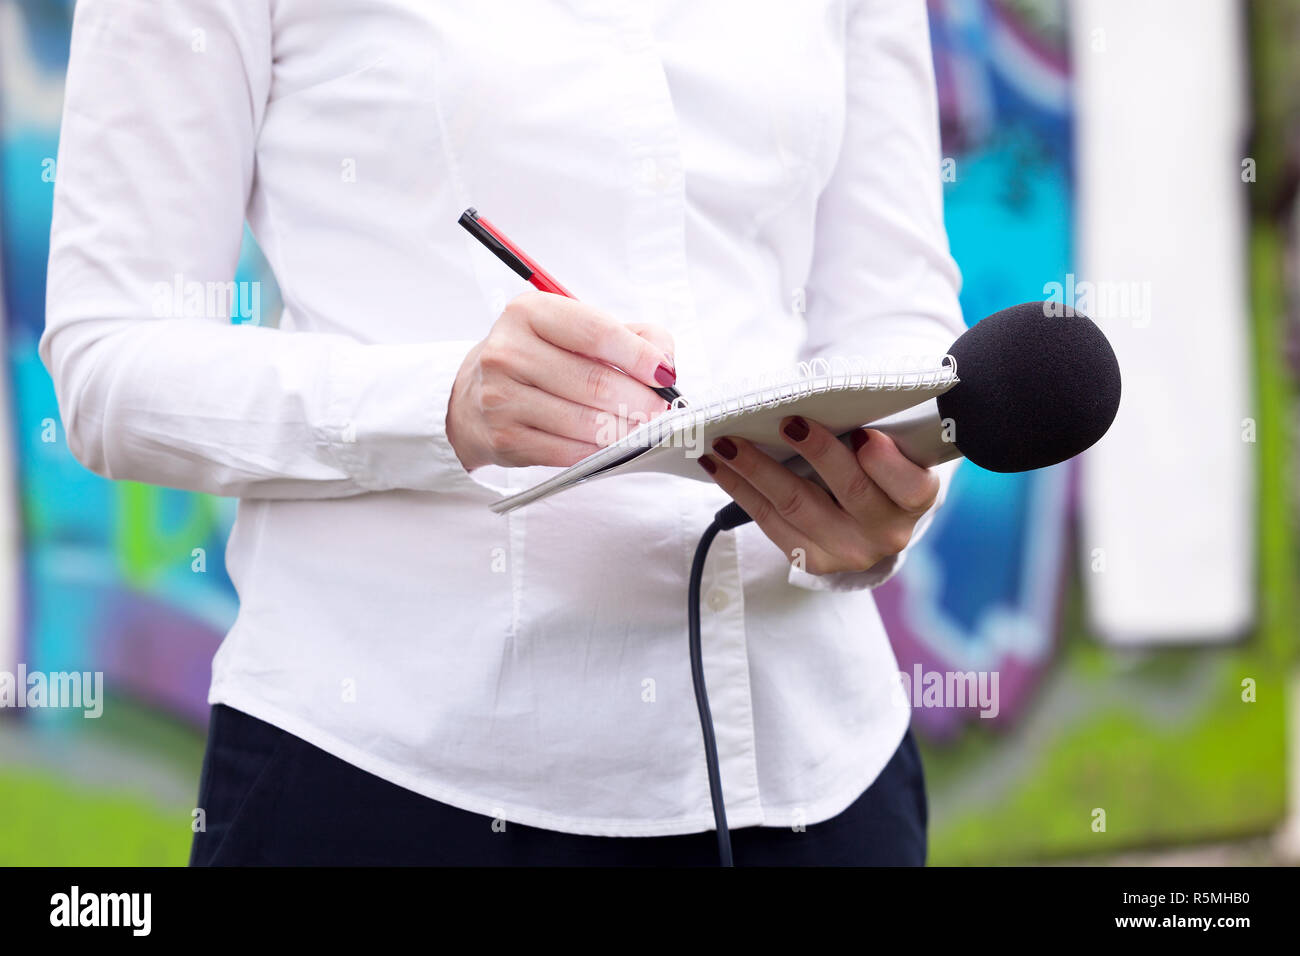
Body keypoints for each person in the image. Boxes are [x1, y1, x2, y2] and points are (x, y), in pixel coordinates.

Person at [43, 0, 964, 866]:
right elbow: (109, 362)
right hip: (391, 775)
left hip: (821, 771)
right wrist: (443, 405)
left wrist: (889, 500)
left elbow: (898, 308)